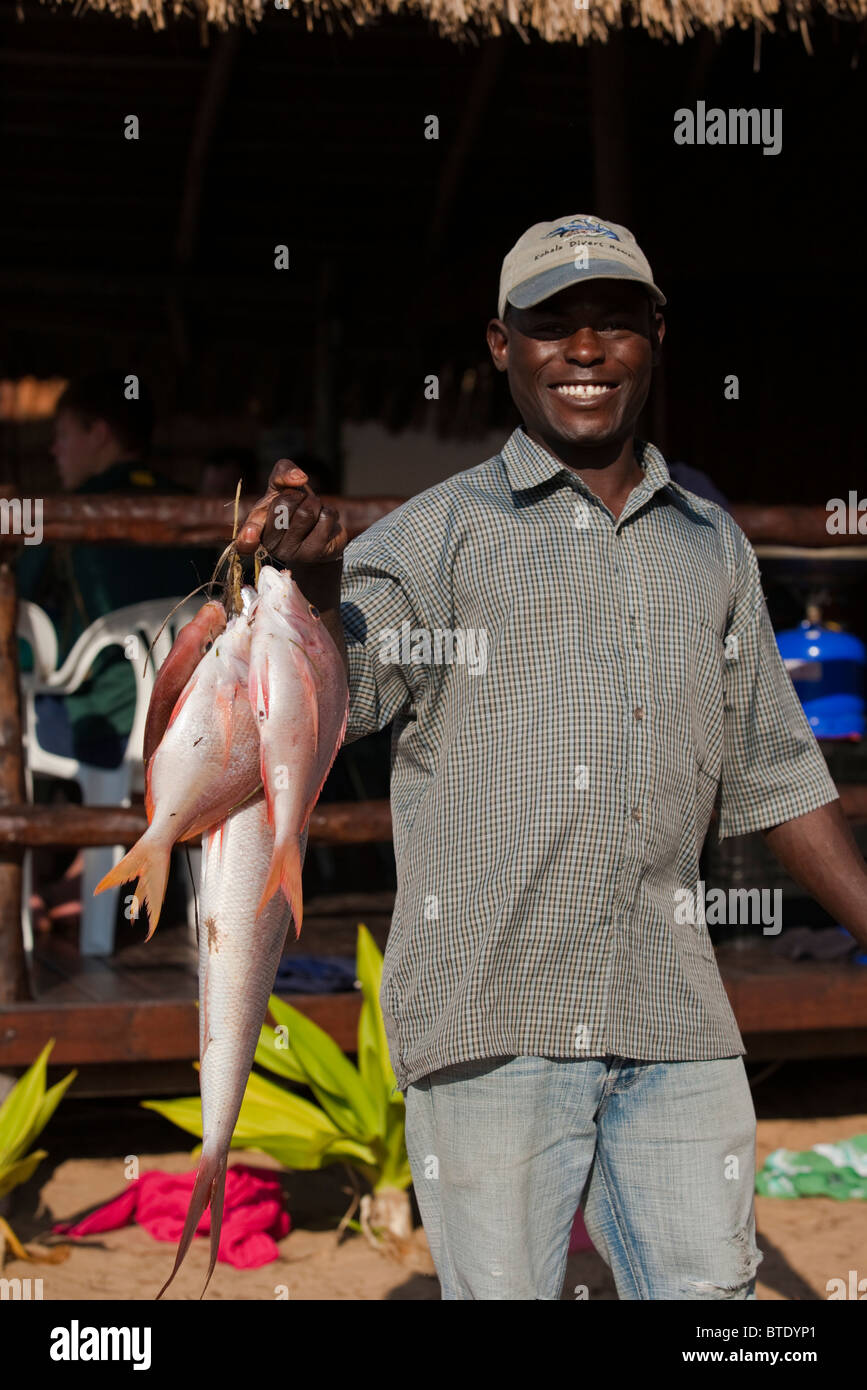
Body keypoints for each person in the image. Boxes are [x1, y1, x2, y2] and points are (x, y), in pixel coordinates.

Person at [229, 213, 867, 1300]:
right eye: (550, 325)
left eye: (613, 321)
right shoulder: (434, 535)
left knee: (714, 1302)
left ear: (656, 335)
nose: (584, 349)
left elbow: (776, 770)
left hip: (677, 1017)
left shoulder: (711, 546)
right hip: (490, 1018)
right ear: (499, 346)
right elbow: (343, 692)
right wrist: (314, 585)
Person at [17, 371, 205, 931]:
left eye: (63, 434)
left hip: (107, 726)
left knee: (24, 704)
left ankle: (24, 883)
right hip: (192, 719)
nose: (54, 449)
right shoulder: (197, 509)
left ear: (99, 433)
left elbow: (21, 615)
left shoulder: (68, 514)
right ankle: (87, 868)